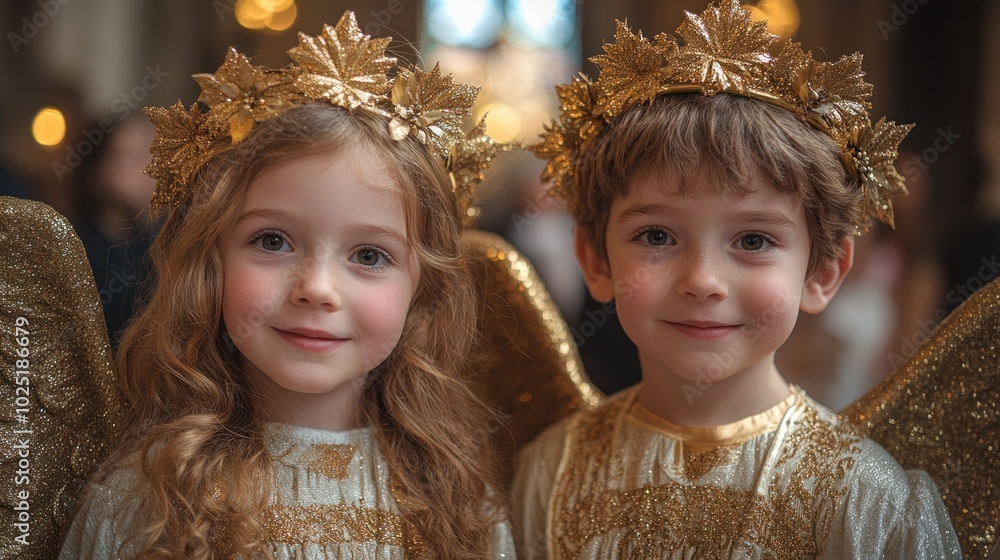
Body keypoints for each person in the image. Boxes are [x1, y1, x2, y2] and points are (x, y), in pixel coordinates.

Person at [513, 1, 962, 558]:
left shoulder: (867, 500)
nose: (703, 281)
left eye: (753, 241)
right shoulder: (550, 474)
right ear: (597, 262)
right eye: (657, 237)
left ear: (822, 272)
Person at [59, 12, 514, 559]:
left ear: (424, 288)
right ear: (212, 261)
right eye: (273, 241)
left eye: (369, 255)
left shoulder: (462, 506)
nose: (317, 289)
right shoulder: (145, 499)